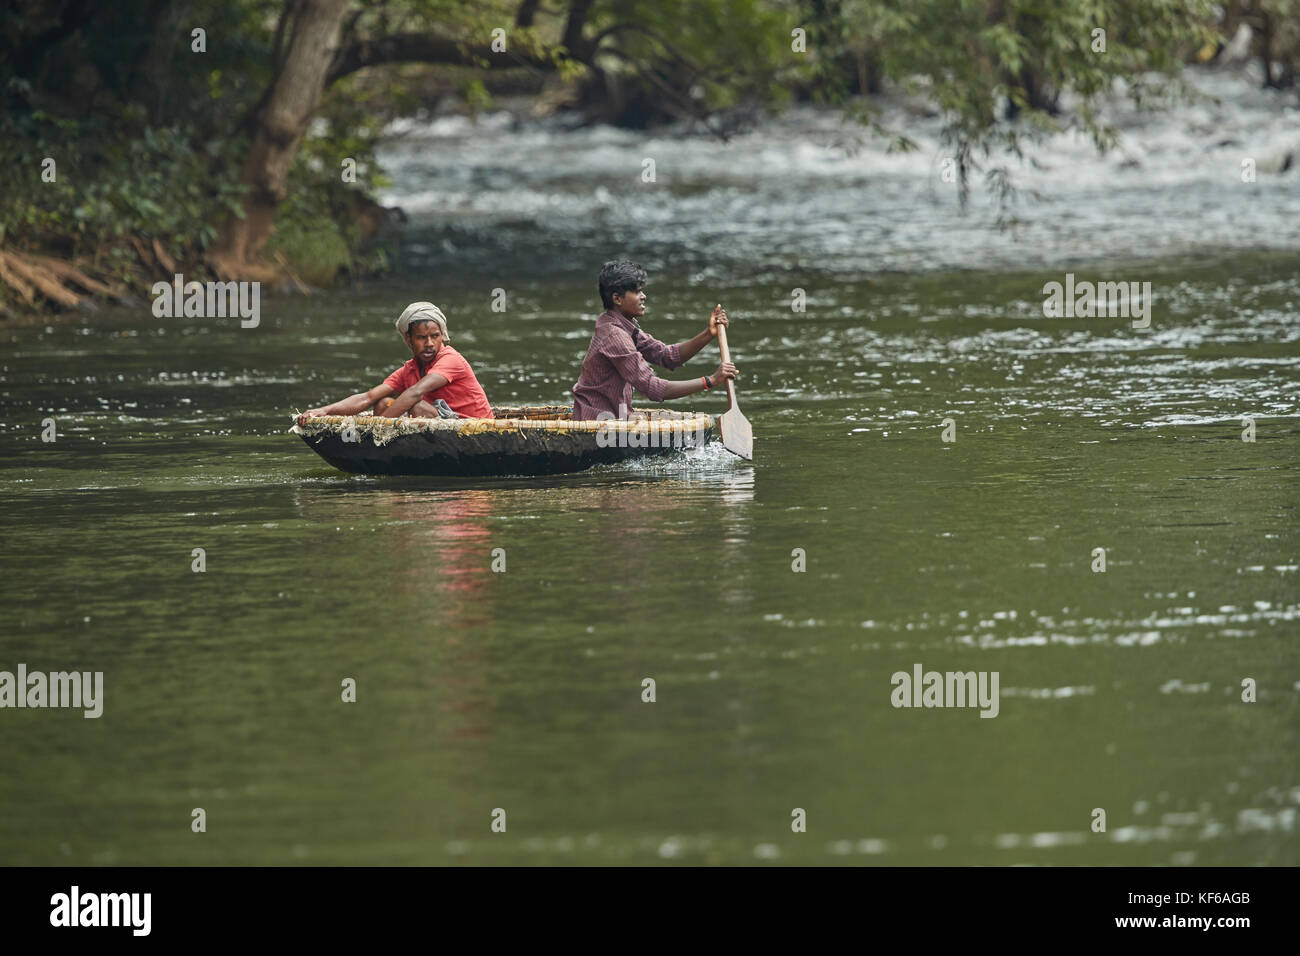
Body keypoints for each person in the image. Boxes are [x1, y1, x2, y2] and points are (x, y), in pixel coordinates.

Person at [571, 260, 737, 421]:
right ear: (617, 299)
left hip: (613, 419)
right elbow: (652, 388)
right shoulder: (615, 336)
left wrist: (708, 334)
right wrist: (710, 381)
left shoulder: (621, 325)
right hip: (595, 423)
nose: (643, 296)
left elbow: (667, 356)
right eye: (637, 292)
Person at [302, 302, 493, 420]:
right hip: (443, 422)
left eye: (434, 336)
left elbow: (416, 392)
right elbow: (368, 397)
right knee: (384, 403)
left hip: (473, 426)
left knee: (417, 406)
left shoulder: (450, 359)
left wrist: (378, 428)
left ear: (441, 336)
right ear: (409, 340)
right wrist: (324, 410)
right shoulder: (409, 370)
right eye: (421, 338)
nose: (429, 344)